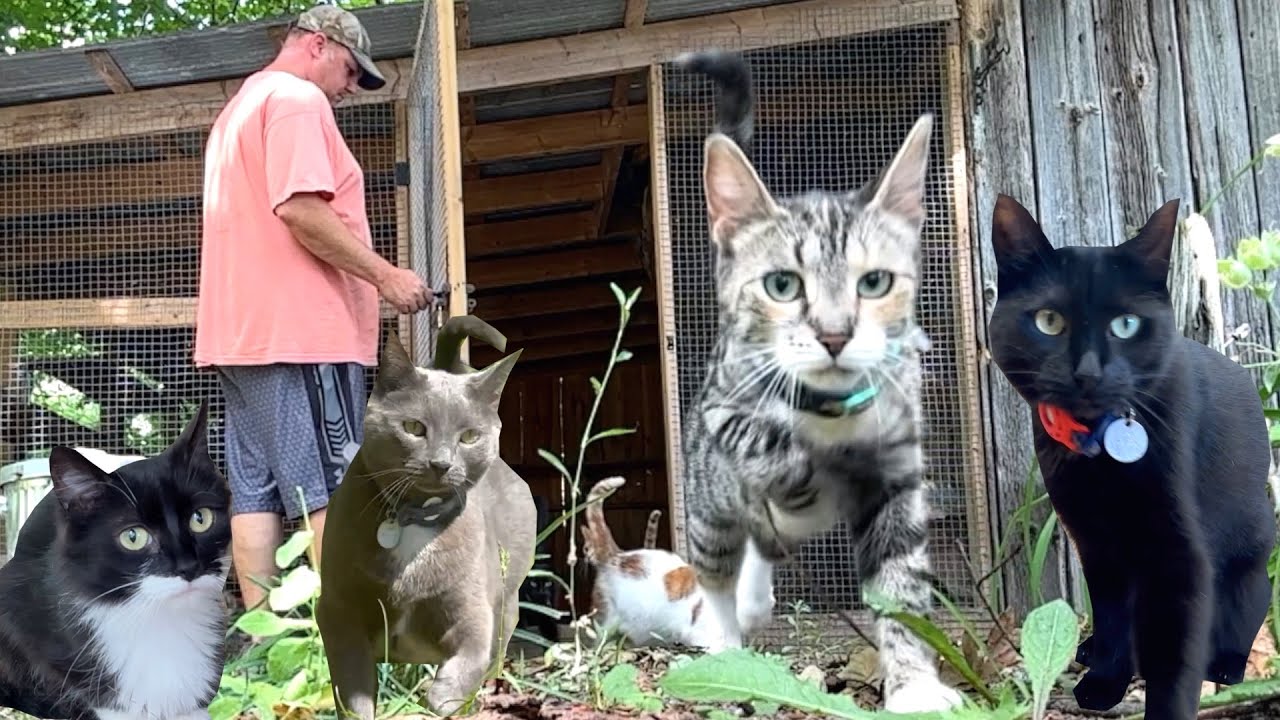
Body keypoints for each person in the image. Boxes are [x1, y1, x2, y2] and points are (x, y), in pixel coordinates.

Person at [194, 4, 433, 613]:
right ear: (318, 45)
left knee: (255, 490)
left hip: (241, 335)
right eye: (352, 71)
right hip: (303, 333)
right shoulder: (298, 102)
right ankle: (348, 637)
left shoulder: (240, 108)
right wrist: (386, 277)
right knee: (336, 484)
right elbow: (300, 208)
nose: (351, 88)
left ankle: (263, 641)